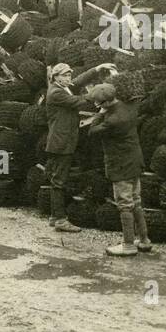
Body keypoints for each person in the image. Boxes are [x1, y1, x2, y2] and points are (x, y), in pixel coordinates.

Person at [43, 61, 114, 233]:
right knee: (59, 181)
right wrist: (102, 90)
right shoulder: (56, 93)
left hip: (62, 141)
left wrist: (95, 69)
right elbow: (79, 101)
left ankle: (55, 216)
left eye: (69, 75)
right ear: (55, 77)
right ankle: (60, 220)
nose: (69, 78)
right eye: (65, 75)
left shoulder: (62, 87)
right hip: (61, 143)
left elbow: (79, 81)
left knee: (58, 180)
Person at [87, 82, 151, 257]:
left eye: (98, 104)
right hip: (135, 161)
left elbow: (92, 132)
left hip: (121, 165)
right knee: (136, 200)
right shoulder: (128, 107)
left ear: (106, 103)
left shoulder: (113, 120)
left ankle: (128, 245)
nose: (97, 107)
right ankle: (144, 240)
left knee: (124, 204)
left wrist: (100, 114)